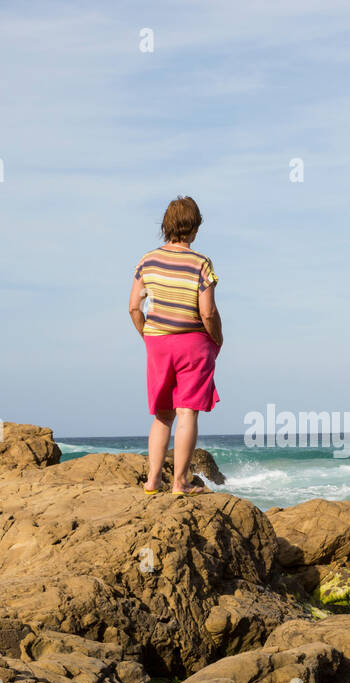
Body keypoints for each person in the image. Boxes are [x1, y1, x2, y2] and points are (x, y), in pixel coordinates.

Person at [129, 195, 224, 495]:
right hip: (192, 343)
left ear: (166, 226)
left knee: (162, 414)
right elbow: (207, 312)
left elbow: (134, 307)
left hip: (158, 343)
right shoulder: (201, 263)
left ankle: (152, 481)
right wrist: (217, 337)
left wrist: (148, 336)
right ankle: (180, 482)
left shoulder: (147, 261)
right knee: (186, 412)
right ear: (194, 228)